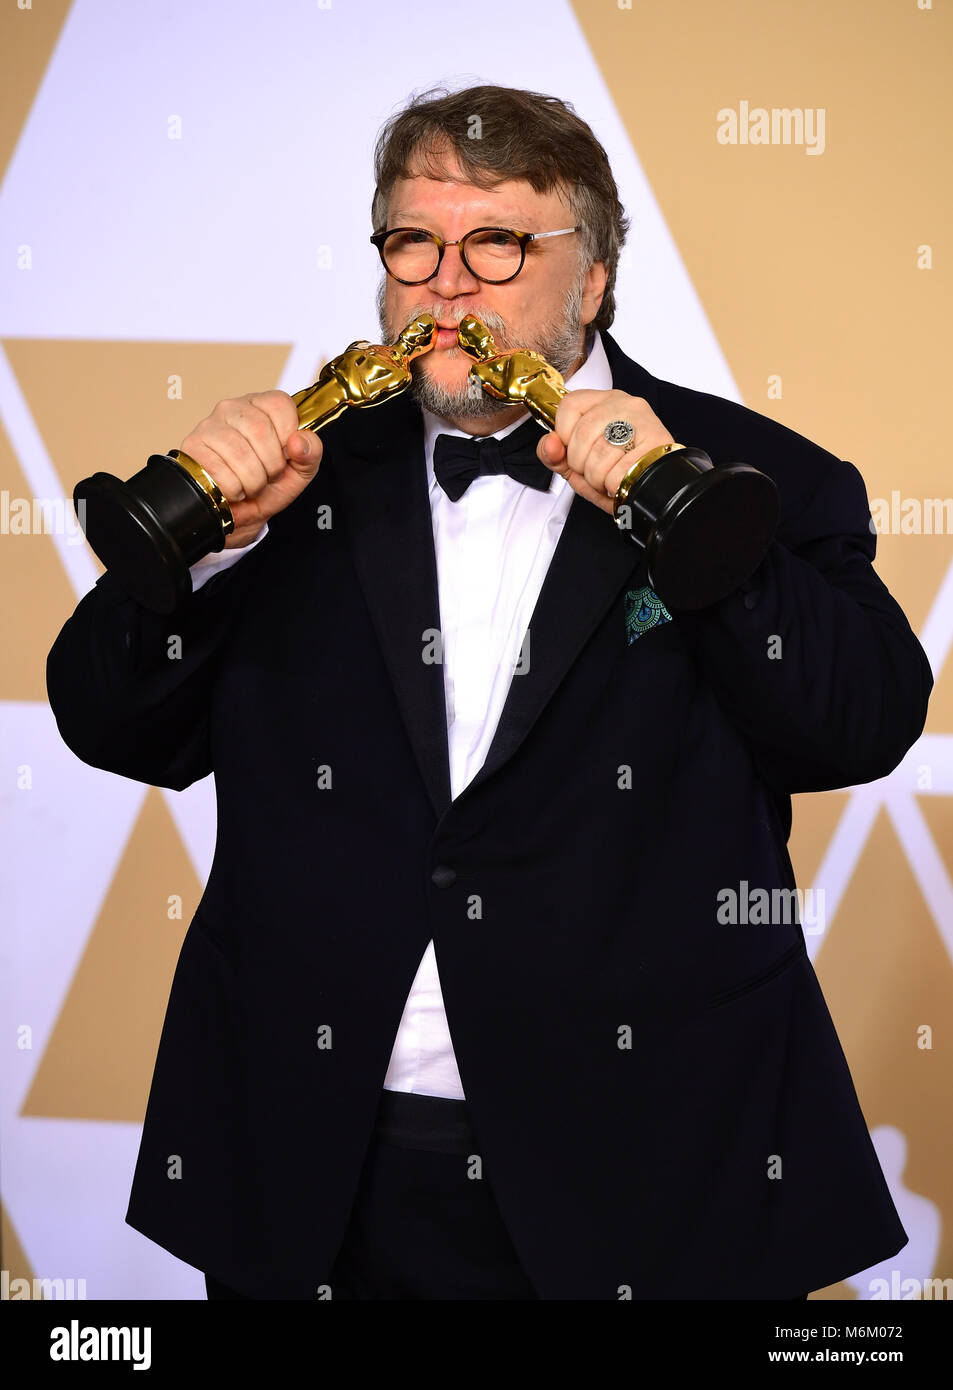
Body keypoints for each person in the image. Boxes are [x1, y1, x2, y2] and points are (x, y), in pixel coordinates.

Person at [46, 84, 932, 1301]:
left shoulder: (757, 477)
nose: (446, 285)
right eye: (413, 242)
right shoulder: (287, 480)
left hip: (651, 1174)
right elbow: (106, 723)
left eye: (497, 243)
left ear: (592, 278)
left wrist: (690, 525)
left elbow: (861, 719)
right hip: (316, 1168)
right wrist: (205, 548)